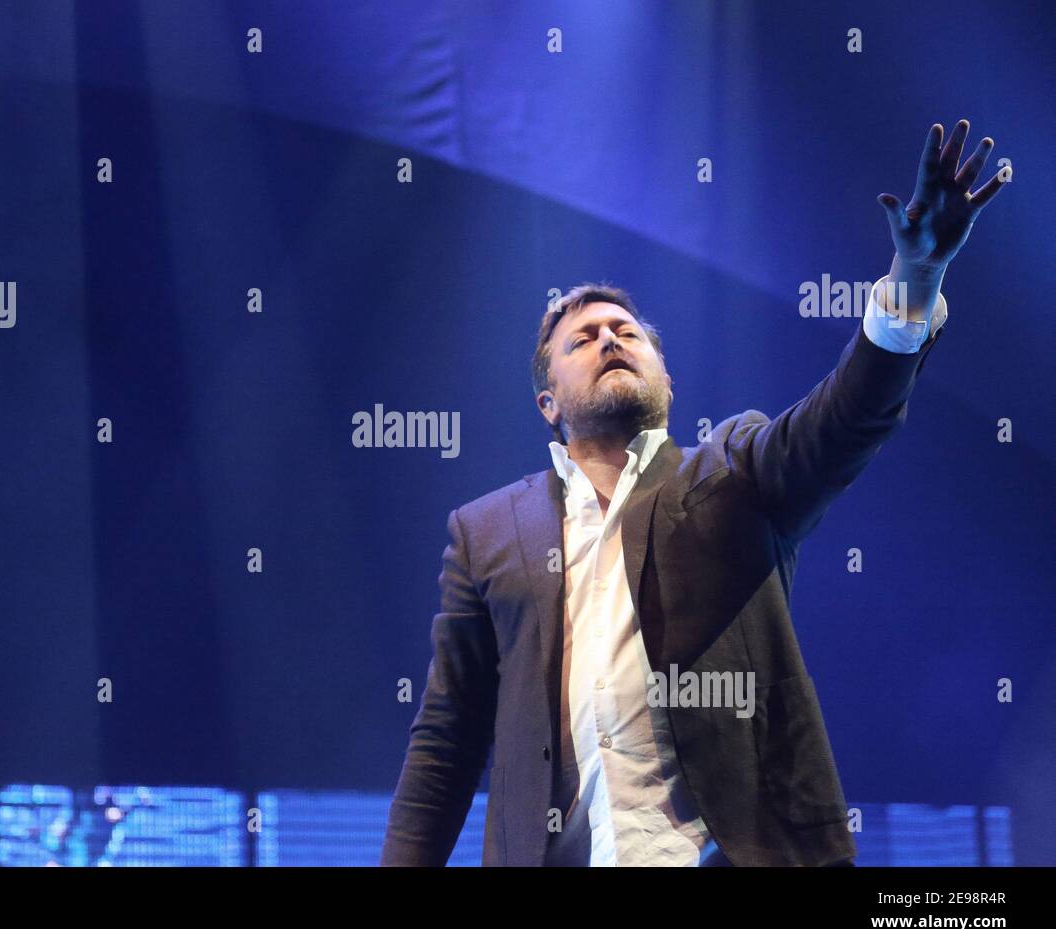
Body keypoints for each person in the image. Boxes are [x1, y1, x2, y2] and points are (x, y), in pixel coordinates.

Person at [381, 120, 1008, 866]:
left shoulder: (732, 471)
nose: (610, 338)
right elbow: (446, 740)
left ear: (664, 377)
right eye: (582, 339)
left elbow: (846, 418)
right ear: (548, 403)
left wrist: (915, 278)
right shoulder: (484, 531)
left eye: (627, 332)